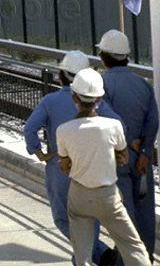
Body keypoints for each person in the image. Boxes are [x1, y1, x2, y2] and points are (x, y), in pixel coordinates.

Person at [24, 51, 121, 265]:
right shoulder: (97, 104)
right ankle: (98, 254)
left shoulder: (50, 101)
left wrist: (38, 151)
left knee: (62, 219)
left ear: (61, 75)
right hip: (90, 171)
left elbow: (30, 128)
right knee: (89, 220)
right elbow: (118, 124)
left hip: (59, 169)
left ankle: (97, 255)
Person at [57, 68, 151, 266]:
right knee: (132, 245)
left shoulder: (63, 131)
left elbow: (65, 166)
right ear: (100, 99)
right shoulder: (113, 125)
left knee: (82, 252)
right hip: (108, 197)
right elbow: (123, 156)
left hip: (79, 196)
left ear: (74, 97)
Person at [96, 30, 158, 260]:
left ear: (104, 56)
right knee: (144, 211)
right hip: (142, 160)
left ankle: (128, 260)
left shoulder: (101, 84)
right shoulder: (142, 84)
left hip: (117, 158)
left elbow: (110, 119)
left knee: (124, 213)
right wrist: (144, 150)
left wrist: (129, 143)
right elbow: (153, 120)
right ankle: (147, 255)